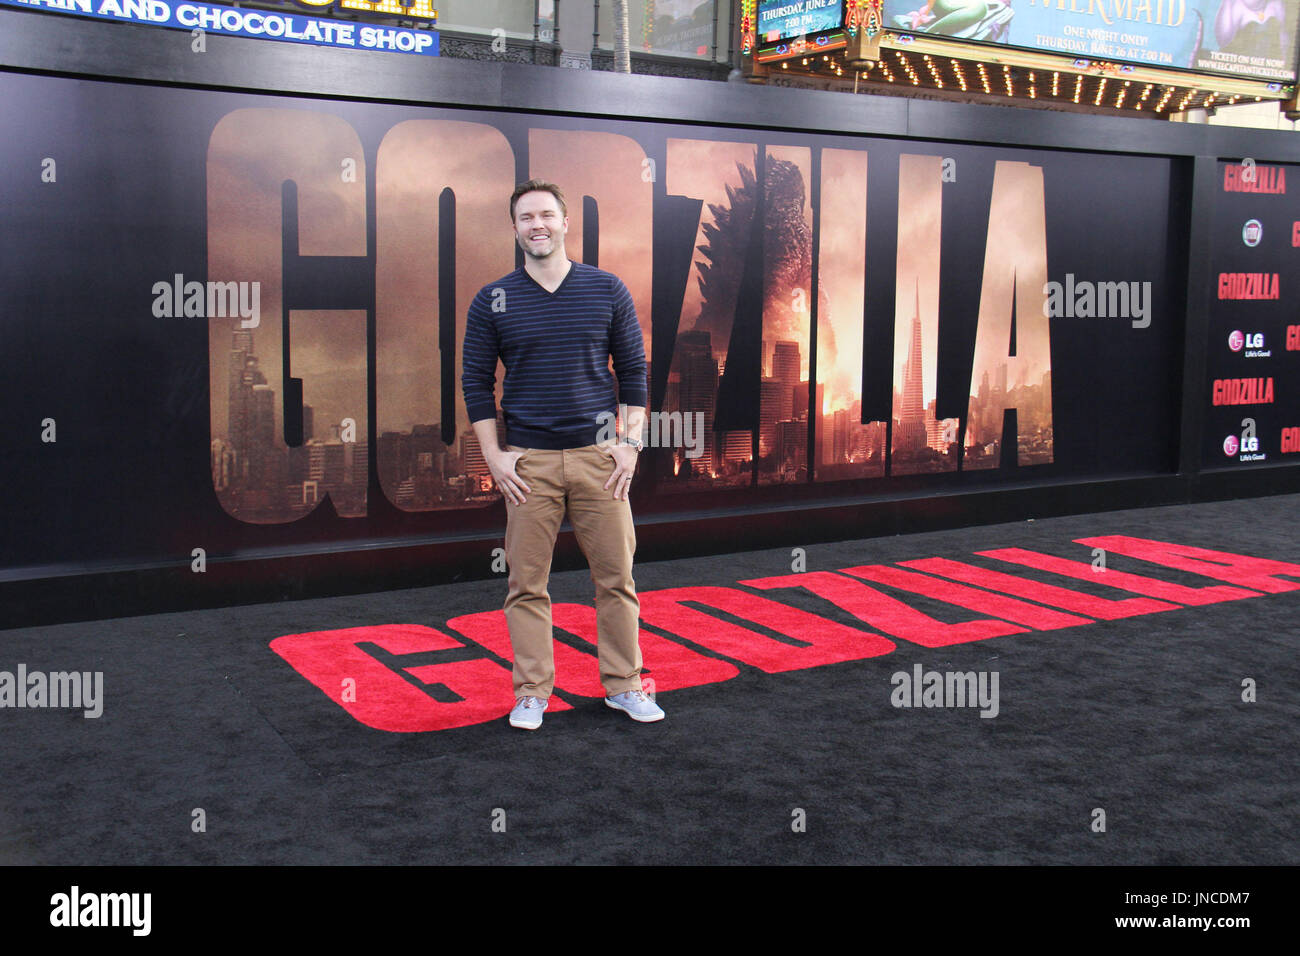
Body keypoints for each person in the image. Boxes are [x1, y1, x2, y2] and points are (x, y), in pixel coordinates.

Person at [461, 178, 664, 730]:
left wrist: (631, 445)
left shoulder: (605, 289)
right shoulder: (493, 299)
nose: (538, 226)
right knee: (526, 585)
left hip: (601, 461)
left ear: (566, 222)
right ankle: (532, 692)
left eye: (547, 215)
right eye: (527, 218)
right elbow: (475, 382)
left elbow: (635, 373)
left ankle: (624, 685)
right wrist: (495, 458)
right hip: (529, 465)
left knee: (616, 579)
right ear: (515, 229)